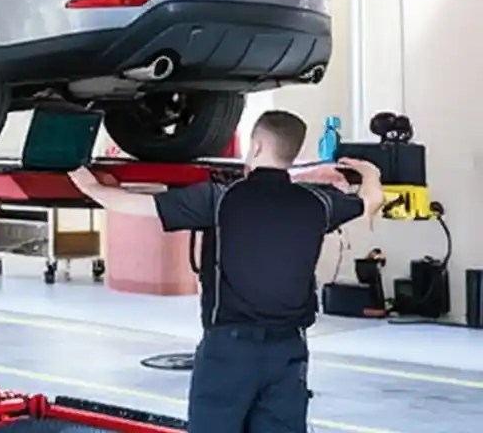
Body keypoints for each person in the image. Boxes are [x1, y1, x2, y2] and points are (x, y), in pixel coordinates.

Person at [69, 110, 385, 433]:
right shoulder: (320, 205)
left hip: (229, 353)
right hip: (289, 353)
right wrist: (369, 172)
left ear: (257, 146)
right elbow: (372, 200)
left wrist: (87, 184)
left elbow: (132, 204)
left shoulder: (220, 199)